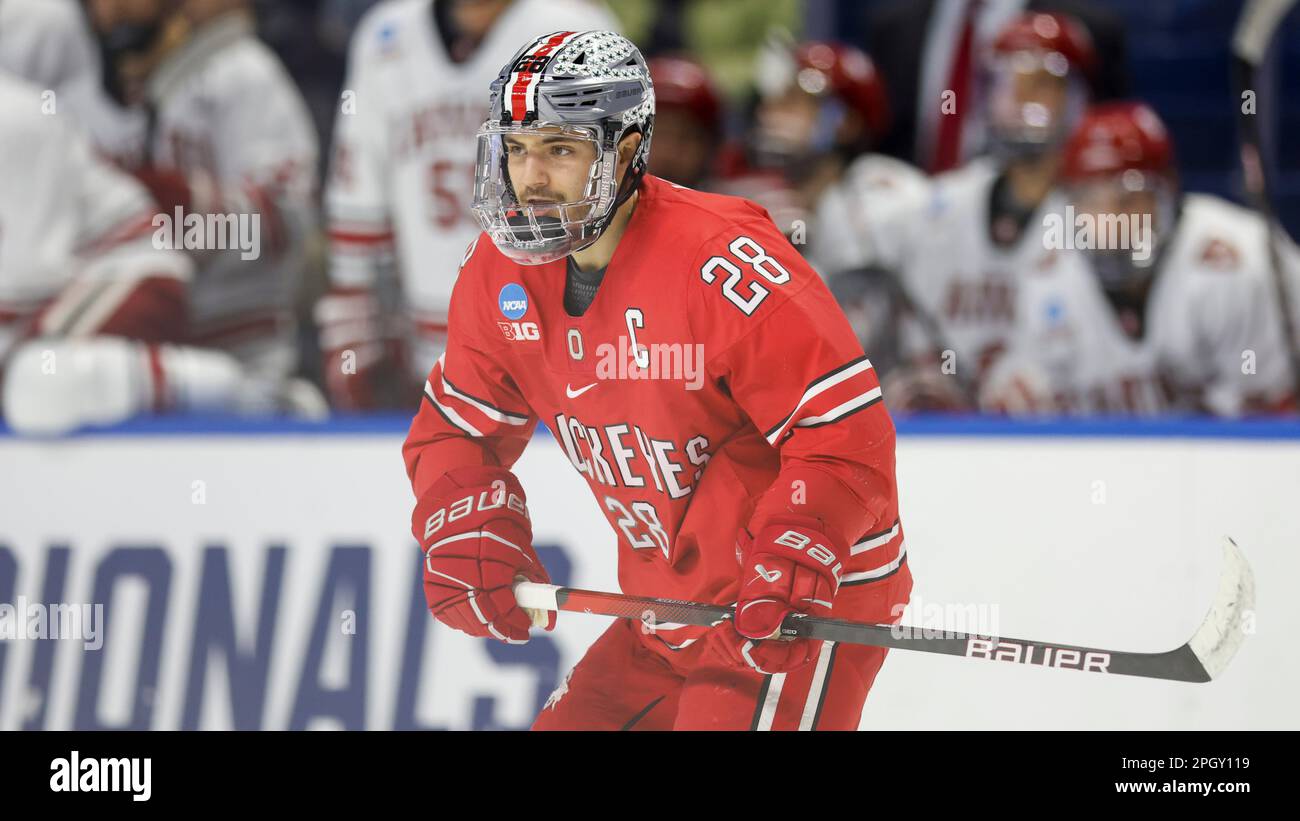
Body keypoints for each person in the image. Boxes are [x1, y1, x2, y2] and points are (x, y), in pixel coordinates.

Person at [402, 30, 911, 730]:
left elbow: (843, 429)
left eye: (559, 148)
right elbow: (457, 431)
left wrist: (798, 548)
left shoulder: (724, 261)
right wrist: (468, 517)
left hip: (794, 606)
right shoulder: (498, 275)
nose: (531, 177)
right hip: (667, 611)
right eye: (517, 150)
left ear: (628, 150)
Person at [317, 0, 619, 411]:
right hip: (425, 348)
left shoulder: (579, 32)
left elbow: (609, 200)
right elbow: (359, 201)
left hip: (552, 339)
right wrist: (357, 329)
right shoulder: (384, 37)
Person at [982, 102, 1299, 415]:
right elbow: (1026, 392)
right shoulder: (1048, 279)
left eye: (1129, 199)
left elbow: (1272, 423)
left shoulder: (1238, 263)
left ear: (1168, 195)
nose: (1110, 222)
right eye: (1089, 202)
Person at [873, 11, 1097, 411]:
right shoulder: (935, 206)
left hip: (1063, 435)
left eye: (1042, 85)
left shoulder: (1104, 217)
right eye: (1007, 84)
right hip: (954, 434)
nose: (1021, 99)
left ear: (1076, 99)